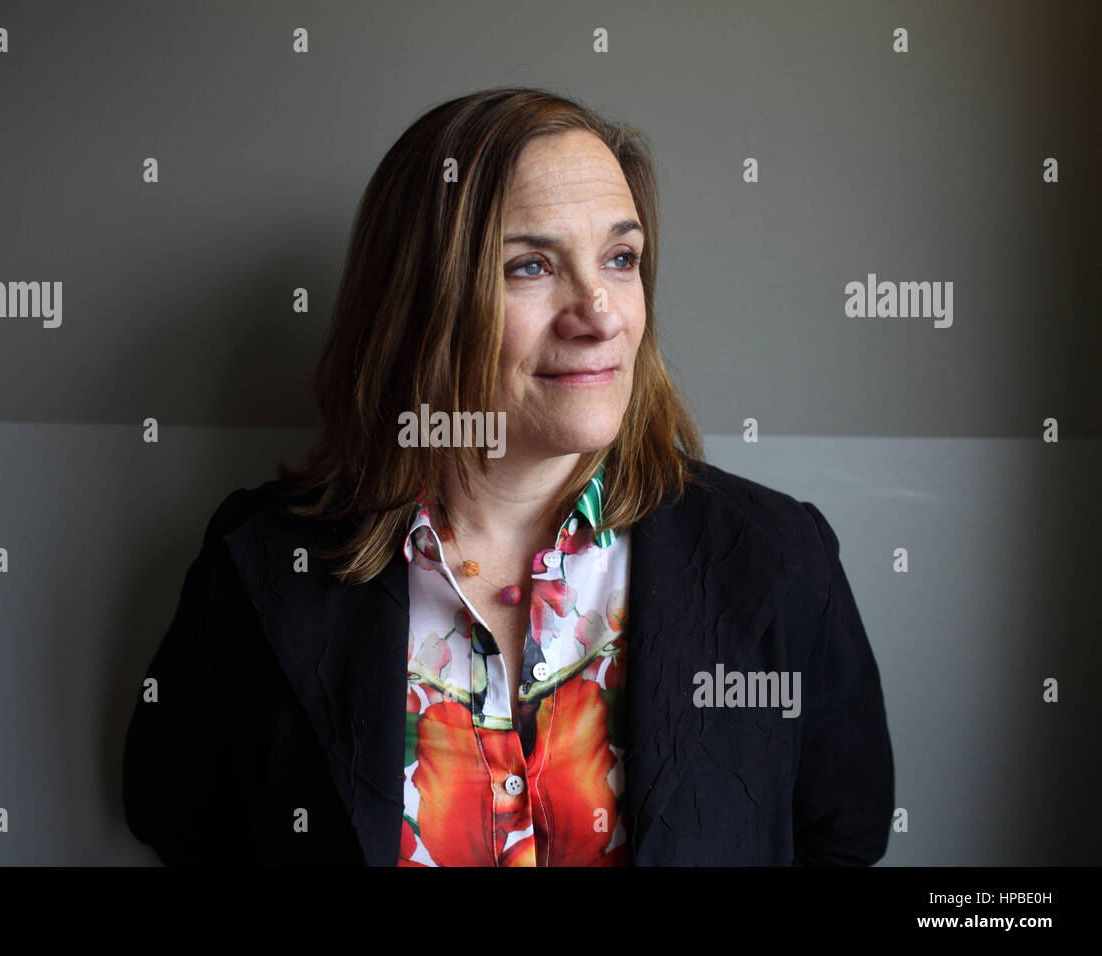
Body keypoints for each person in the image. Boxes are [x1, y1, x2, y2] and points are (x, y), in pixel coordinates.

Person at [121, 87, 894, 866]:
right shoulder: (261, 566)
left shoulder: (780, 562)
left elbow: (842, 835)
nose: (599, 312)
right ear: (423, 302)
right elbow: (180, 815)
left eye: (620, 259)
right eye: (530, 266)